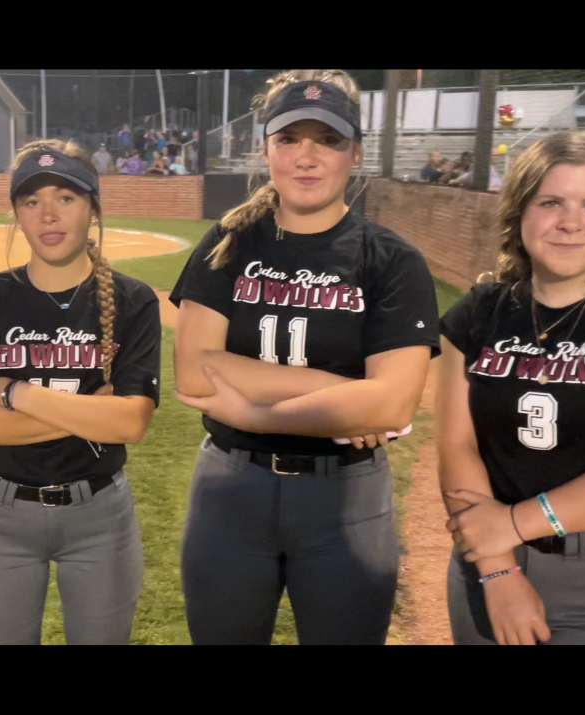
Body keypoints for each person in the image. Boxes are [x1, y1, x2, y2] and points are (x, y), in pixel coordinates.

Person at [169, 69, 439, 645]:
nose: (307, 157)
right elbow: (195, 370)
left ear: (355, 153)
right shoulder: (229, 240)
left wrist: (252, 407)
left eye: (328, 139)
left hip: (345, 495)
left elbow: (392, 402)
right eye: (290, 139)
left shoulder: (392, 260)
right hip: (230, 490)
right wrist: (341, 392)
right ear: (265, 148)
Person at [438, 133, 585, 646]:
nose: (571, 222)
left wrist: (516, 524)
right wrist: (499, 572)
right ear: (519, 215)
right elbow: (457, 447)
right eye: (550, 203)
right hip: (489, 569)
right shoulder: (477, 313)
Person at [0, 139, 161, 645]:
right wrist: (92, 412)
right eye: (31, 200)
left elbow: (130, 424)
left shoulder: (133, 300)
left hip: (100, 517)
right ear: (17, 214)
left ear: (92, 209)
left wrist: (14, 392)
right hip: (1, 516)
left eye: (65, 197)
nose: (48, 214)